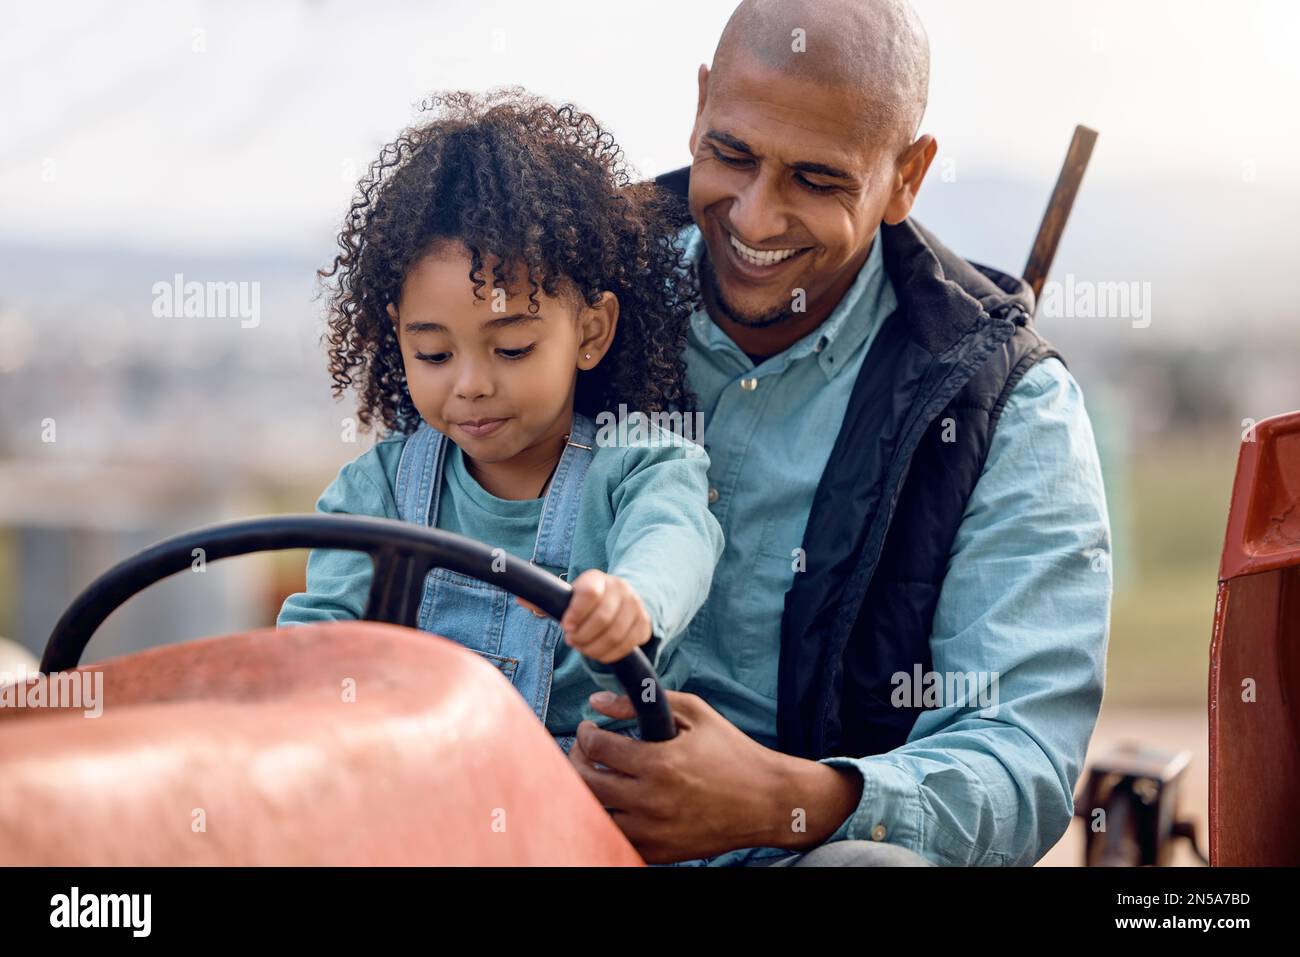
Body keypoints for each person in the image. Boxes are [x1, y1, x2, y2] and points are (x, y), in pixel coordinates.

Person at [565, 0, 1112, 866]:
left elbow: (1022, 756)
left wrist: (786, 802)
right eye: (731, 153)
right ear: (701, 103)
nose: (753, 216)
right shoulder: (559, 288)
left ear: (907, 176)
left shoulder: (1010, 405)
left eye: (817, 179)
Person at [277, 90, 724, 748]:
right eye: (433, 352)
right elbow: (318, 641)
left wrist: (632, 605)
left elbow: (674, 543)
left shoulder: (643, 467)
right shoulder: (376, 495)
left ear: (590, 331)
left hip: (594, 815)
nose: (471, 384)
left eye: (512, 348)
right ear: (397, 337)